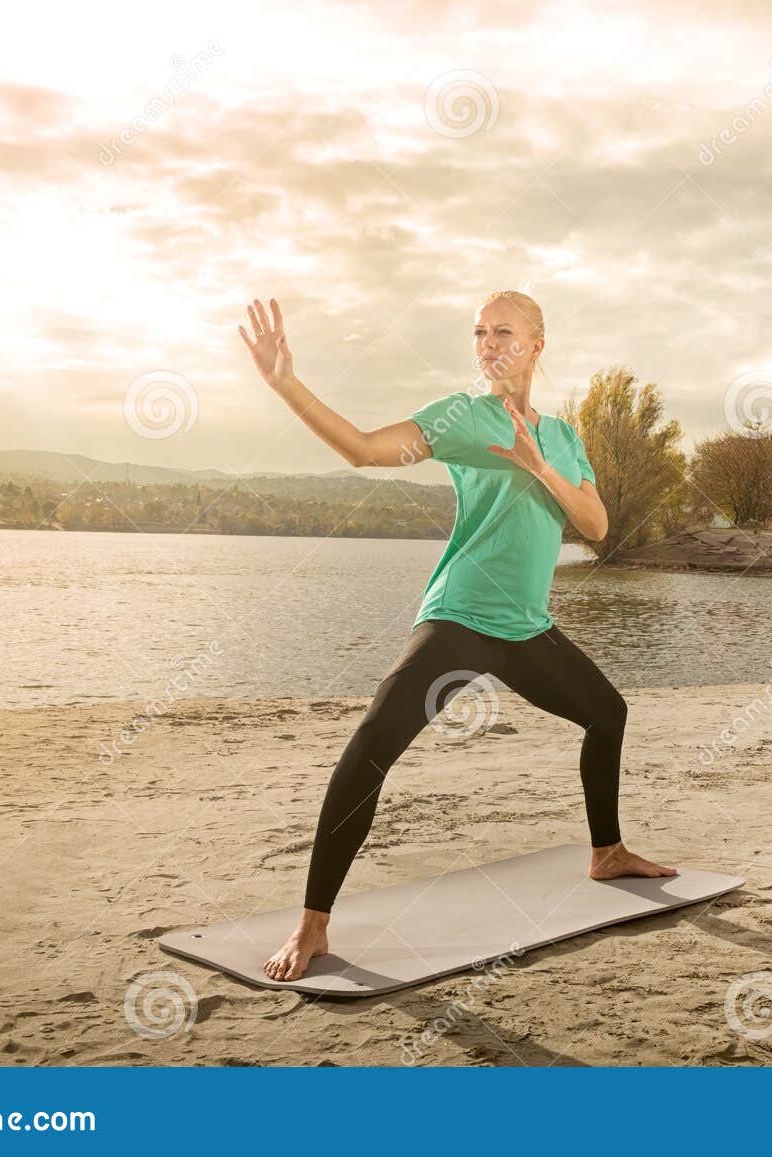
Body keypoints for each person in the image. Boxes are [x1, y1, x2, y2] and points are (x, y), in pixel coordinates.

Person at [237, 290, 675, 982]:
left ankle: (607, 851)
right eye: (479, 333)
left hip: (527, 628)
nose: (488, 344)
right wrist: (284, 380)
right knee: (373, 745)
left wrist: (538, 465)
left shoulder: (562, 435)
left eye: (503, 331)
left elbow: (594, 524)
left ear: (537, 344)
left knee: (608, 712)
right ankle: (313, 923)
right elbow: (361, 450)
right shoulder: (462, 417)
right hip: (461, 617)